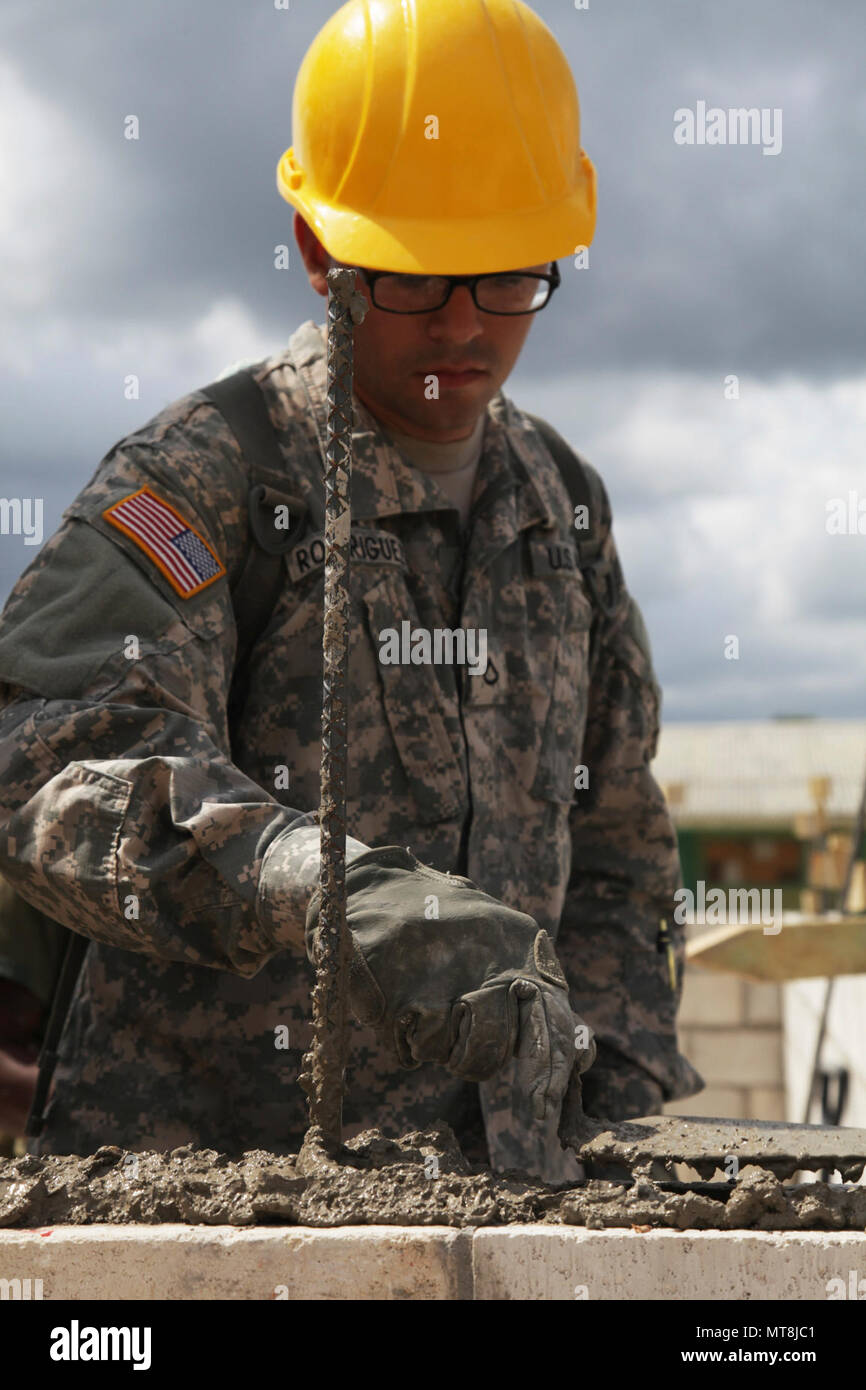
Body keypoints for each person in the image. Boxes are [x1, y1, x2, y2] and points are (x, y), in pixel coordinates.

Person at [0, 0, 701, 1179]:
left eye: (504, 278)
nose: (465, 326)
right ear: (322, 252)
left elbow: (616, 837)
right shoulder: (212, 478)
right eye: (415, 283)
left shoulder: (558, 505)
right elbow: (45, 765)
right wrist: (313, 886)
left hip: (504, 1206)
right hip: (219, 1202)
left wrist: (609, 1099)